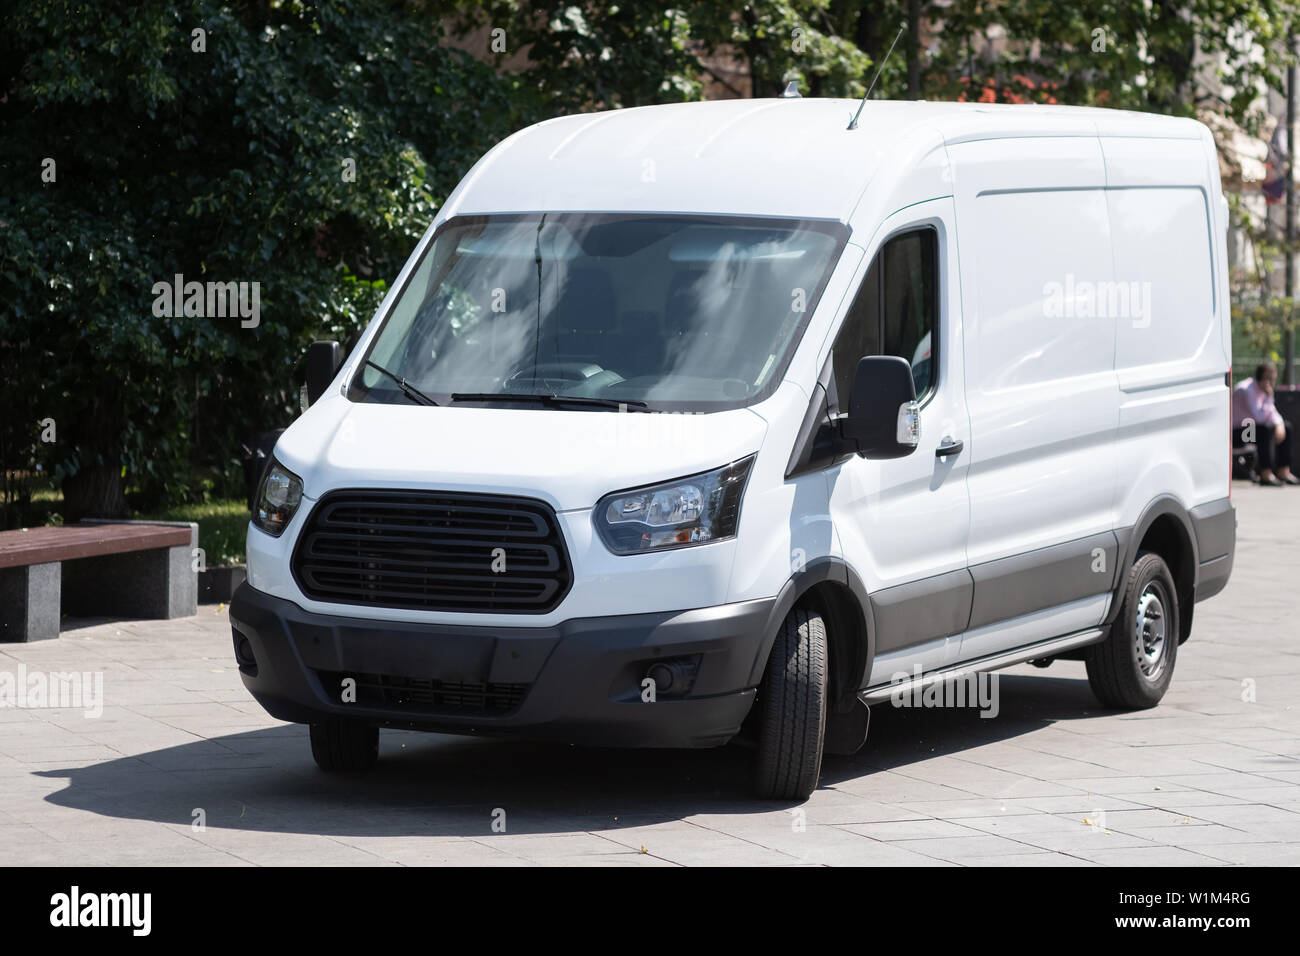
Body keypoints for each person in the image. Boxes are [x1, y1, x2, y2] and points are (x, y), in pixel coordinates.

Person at [1233, 360, 1297, 486]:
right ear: (1262, 377)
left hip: (1250, 430)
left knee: (1287, 427)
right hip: (1235, 433)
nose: (1272, 383)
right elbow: (1259, 418)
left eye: (1273, 379)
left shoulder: (1262, 391)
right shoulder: (1246, 390)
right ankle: (1265, 475)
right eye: (1270, 379)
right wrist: (1269, 397)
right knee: (1263, 431)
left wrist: (1280, 425)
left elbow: (1272, 414)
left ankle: (1283, 472)